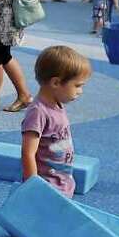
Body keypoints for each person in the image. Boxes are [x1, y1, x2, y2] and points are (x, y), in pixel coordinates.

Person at [22, 45, 91, 198]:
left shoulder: (56, 104)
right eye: (77, 85)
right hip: (46, 189)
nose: (80, 91)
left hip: (62, 183)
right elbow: (28, 153)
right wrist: (32, 188)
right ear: (55, 83)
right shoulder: (38, 112)